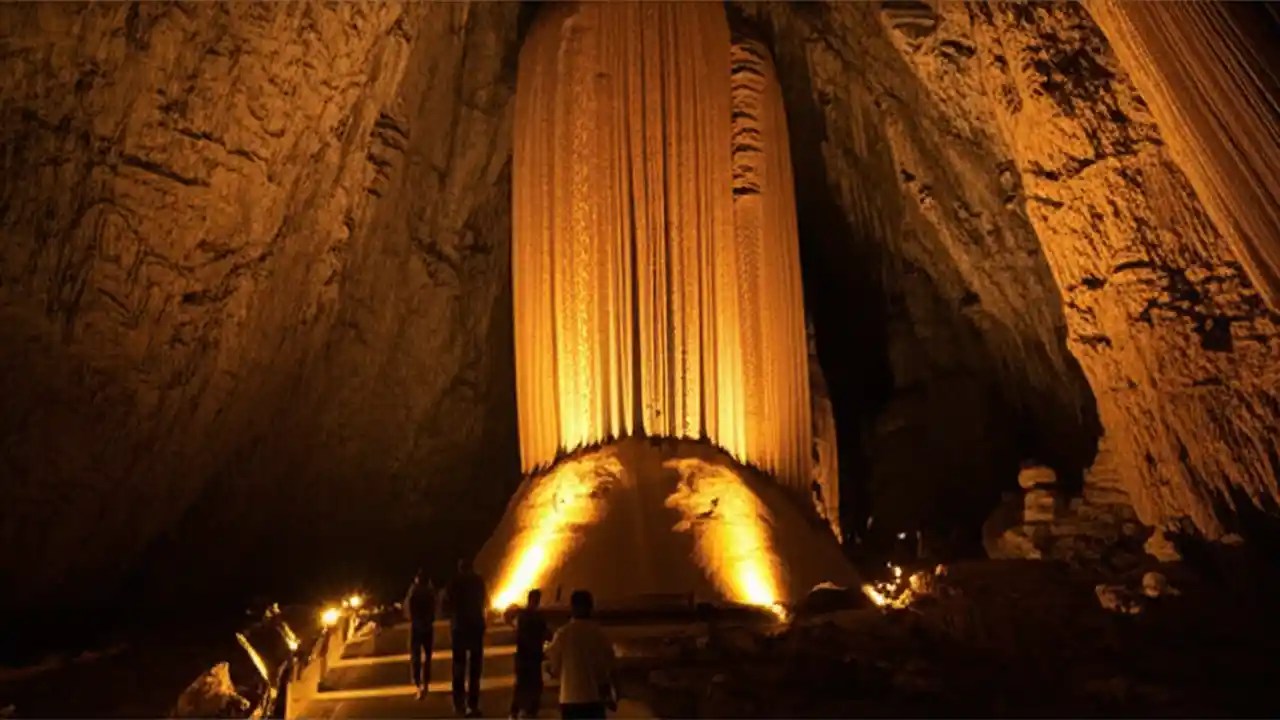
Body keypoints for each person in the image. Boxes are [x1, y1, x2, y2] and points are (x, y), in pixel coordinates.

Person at [544, 590, 616, 720]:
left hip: (569, 697)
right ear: (590, 607)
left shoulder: (562, 634)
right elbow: (609, 663)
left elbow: (554, 666)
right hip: (593, 697)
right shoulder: (598, 633)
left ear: (572, 608)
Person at [443, 558, 488, 717]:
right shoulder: (478, 581)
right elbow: (484, 601)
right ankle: (473, 704)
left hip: (459, 628)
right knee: (475, 669)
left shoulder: (454, 582)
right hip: (475, 627)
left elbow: (446, 604)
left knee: (458, 667)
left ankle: (459, 703)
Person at [510, 589, 549, 718]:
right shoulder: (533, 617)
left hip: (526, 657)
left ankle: (519, 711)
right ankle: (526, 711)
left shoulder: (524, 616)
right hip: (530, 656)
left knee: (525, 685)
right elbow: (545, 634)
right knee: (531, 685)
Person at [405, 569, 438, 700]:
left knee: (416, 658)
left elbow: (409, 610)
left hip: (416, 628)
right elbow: (434, 610)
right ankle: (426, 683)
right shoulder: (430, 593)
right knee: (428, 658)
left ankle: (418, 684)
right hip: (428, 627)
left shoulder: (414, 592)